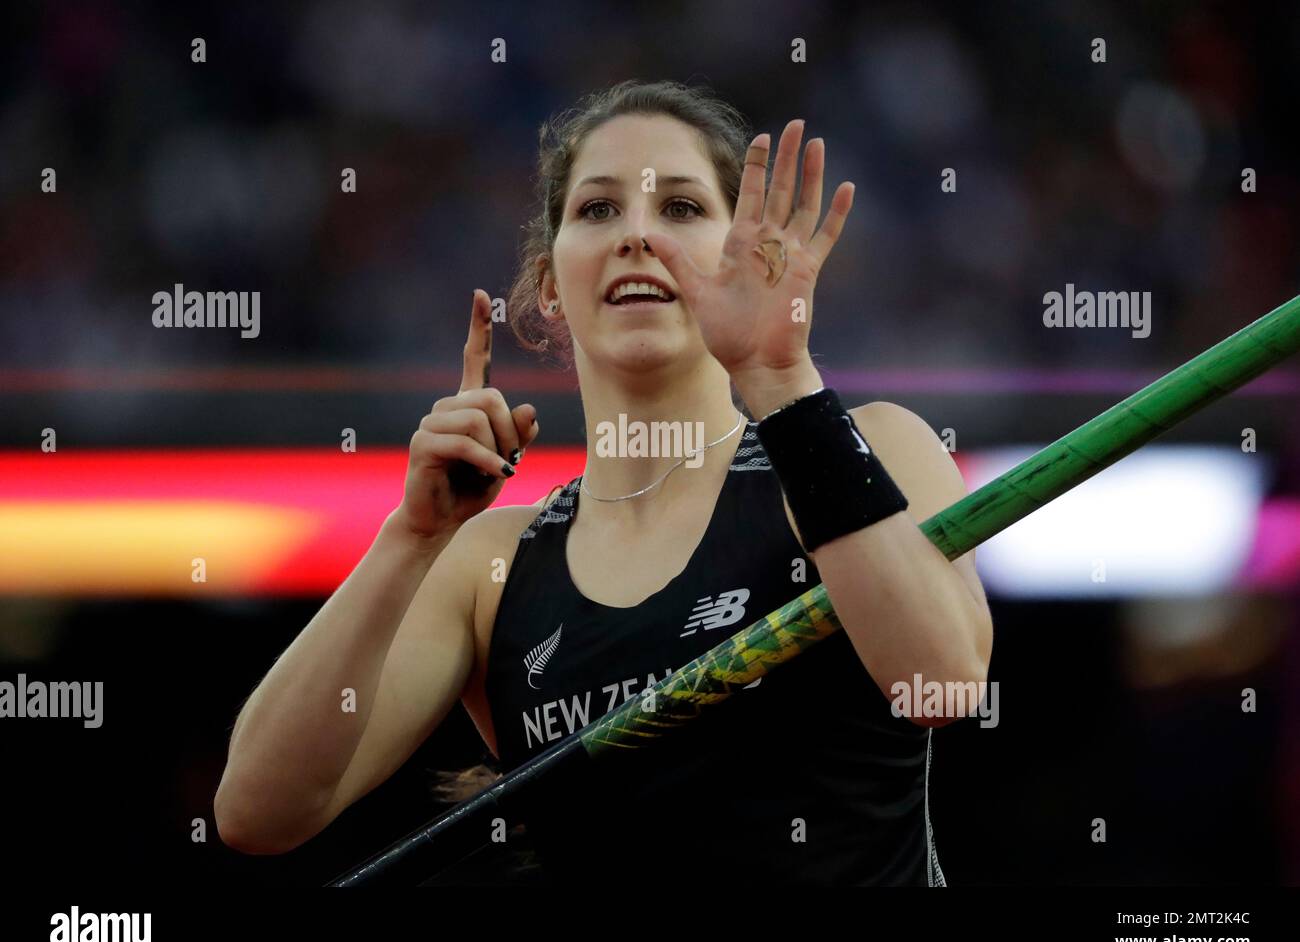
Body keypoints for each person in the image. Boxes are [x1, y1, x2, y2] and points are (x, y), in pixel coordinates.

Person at [214, 79, 994, 885]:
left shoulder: (873, 445)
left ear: (751, 258)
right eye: (597, 210)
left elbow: (939, 683)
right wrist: (409, 540)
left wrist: (778, 377)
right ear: (549, 282)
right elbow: (256, 812)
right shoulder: (491, 566)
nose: (638, 236)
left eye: (683, 209)